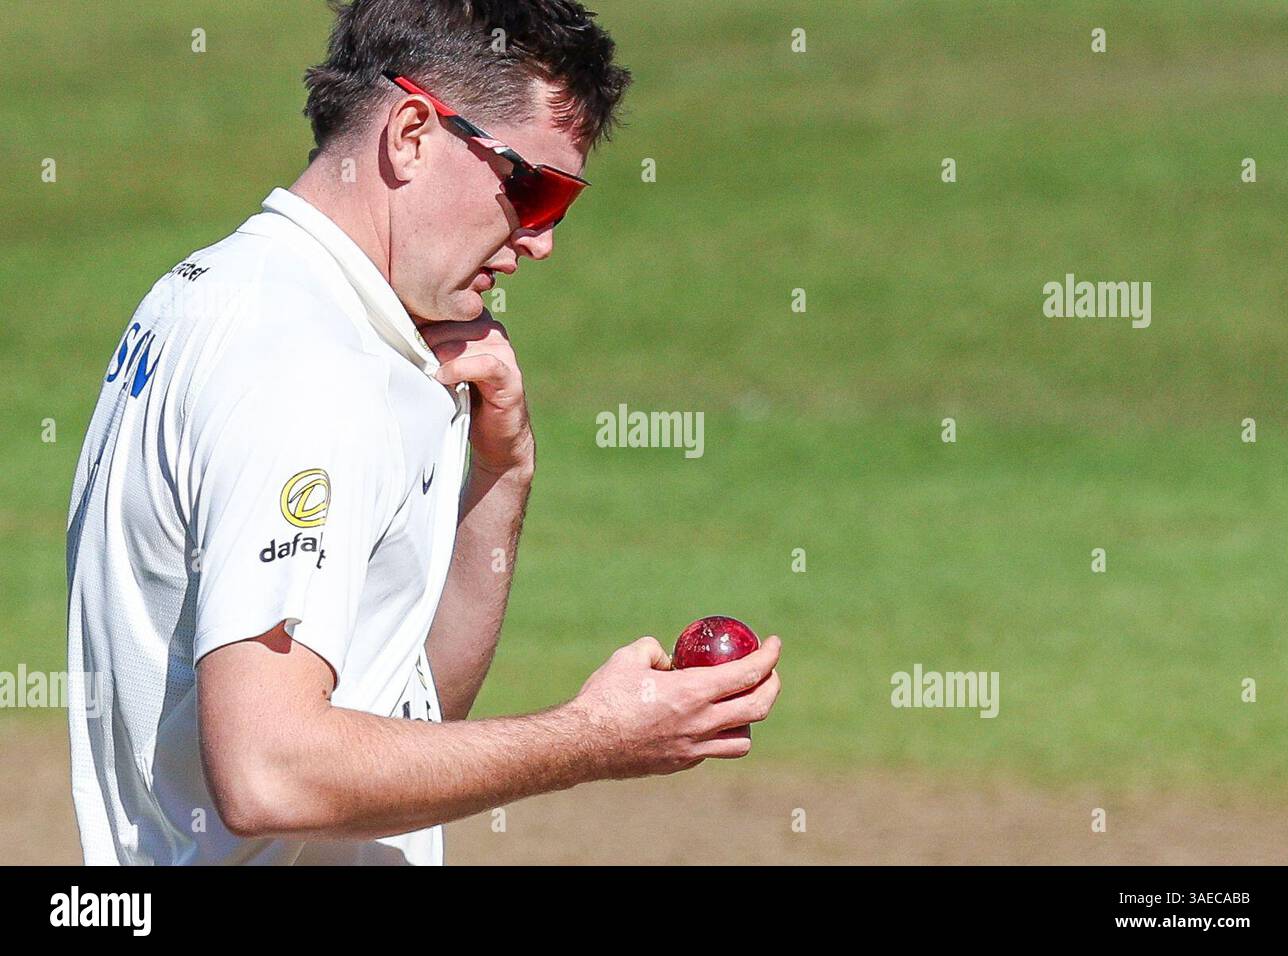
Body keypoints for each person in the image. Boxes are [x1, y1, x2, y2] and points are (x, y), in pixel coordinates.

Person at [65, 0, 781, 865]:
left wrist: (500, 474)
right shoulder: (307, 364)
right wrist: (591, 737)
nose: (543, 240)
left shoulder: (204, 290)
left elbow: (404, 712)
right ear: (411, 132)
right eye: (534, 186)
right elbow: (271, 775)